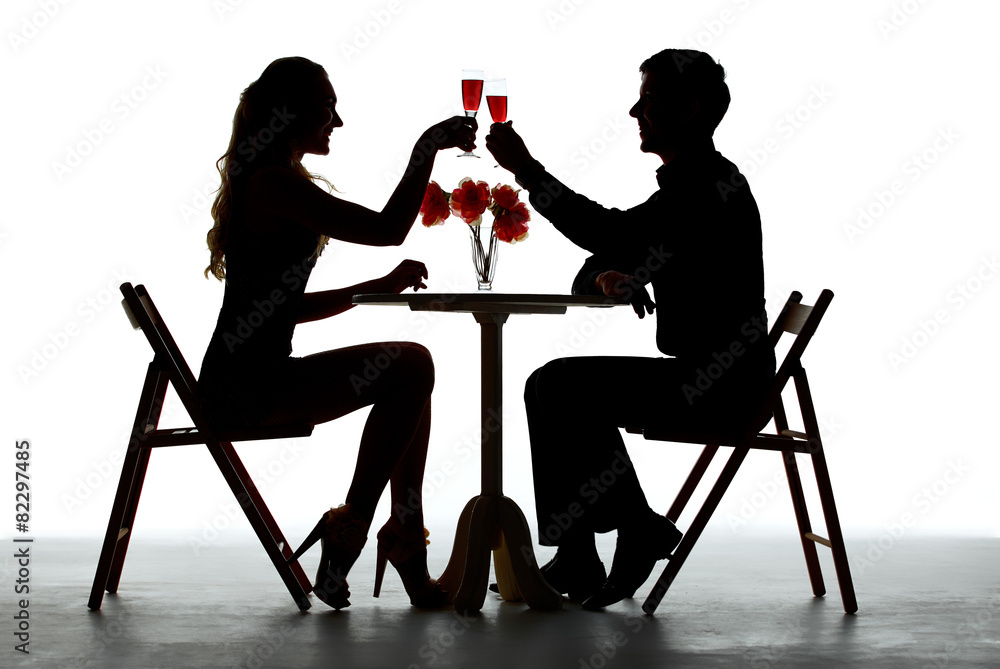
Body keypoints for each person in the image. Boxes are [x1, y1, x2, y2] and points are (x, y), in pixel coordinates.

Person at [485, 48, 775, 609]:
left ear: (688, 108)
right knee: (550, 385)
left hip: (721, 387)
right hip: (709, 376)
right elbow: (615, 246)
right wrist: (607, 275)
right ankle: (583, 552)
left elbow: (607, 232)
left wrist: (527, 171)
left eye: (648, 99)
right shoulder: (695, 185)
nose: (633, 111)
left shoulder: (705, 189)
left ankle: (628, 531)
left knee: (559, 387)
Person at [198, 57, 477, 609]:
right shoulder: (274, 185)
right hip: (245, 388)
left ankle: (399, 540)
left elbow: (281, 309)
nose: (338, 122)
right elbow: (388, 229)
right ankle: (364, 530)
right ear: (290, 114)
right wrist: (427, 148)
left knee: (410, 375)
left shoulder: (271, 181)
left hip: (250, 377)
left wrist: (373, 287)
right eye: (328, 108)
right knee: (412, 366)